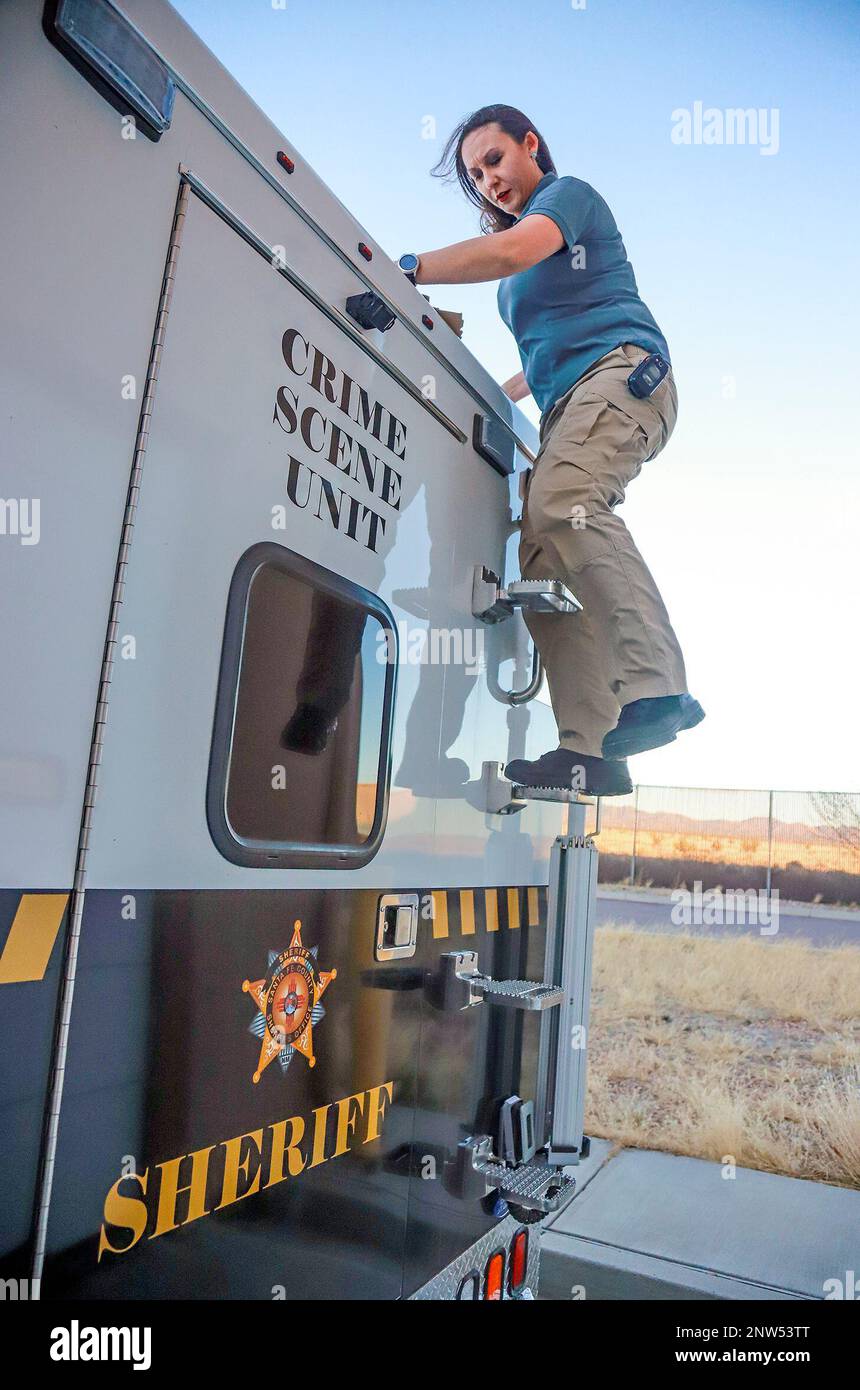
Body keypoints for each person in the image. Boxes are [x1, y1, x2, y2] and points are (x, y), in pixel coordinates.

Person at [397, 104, 704, 797]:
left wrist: (408, 268)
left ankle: (657, 687)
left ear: (530, 145)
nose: (487, 181)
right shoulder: (517, 282)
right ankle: (590, 749)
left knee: (567, 500)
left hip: (622, 372)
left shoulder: (566, 200)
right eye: (476, 174)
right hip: (568, 399)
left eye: (494, 160)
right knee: (541, 552)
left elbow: (509, 249)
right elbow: (534, 369)